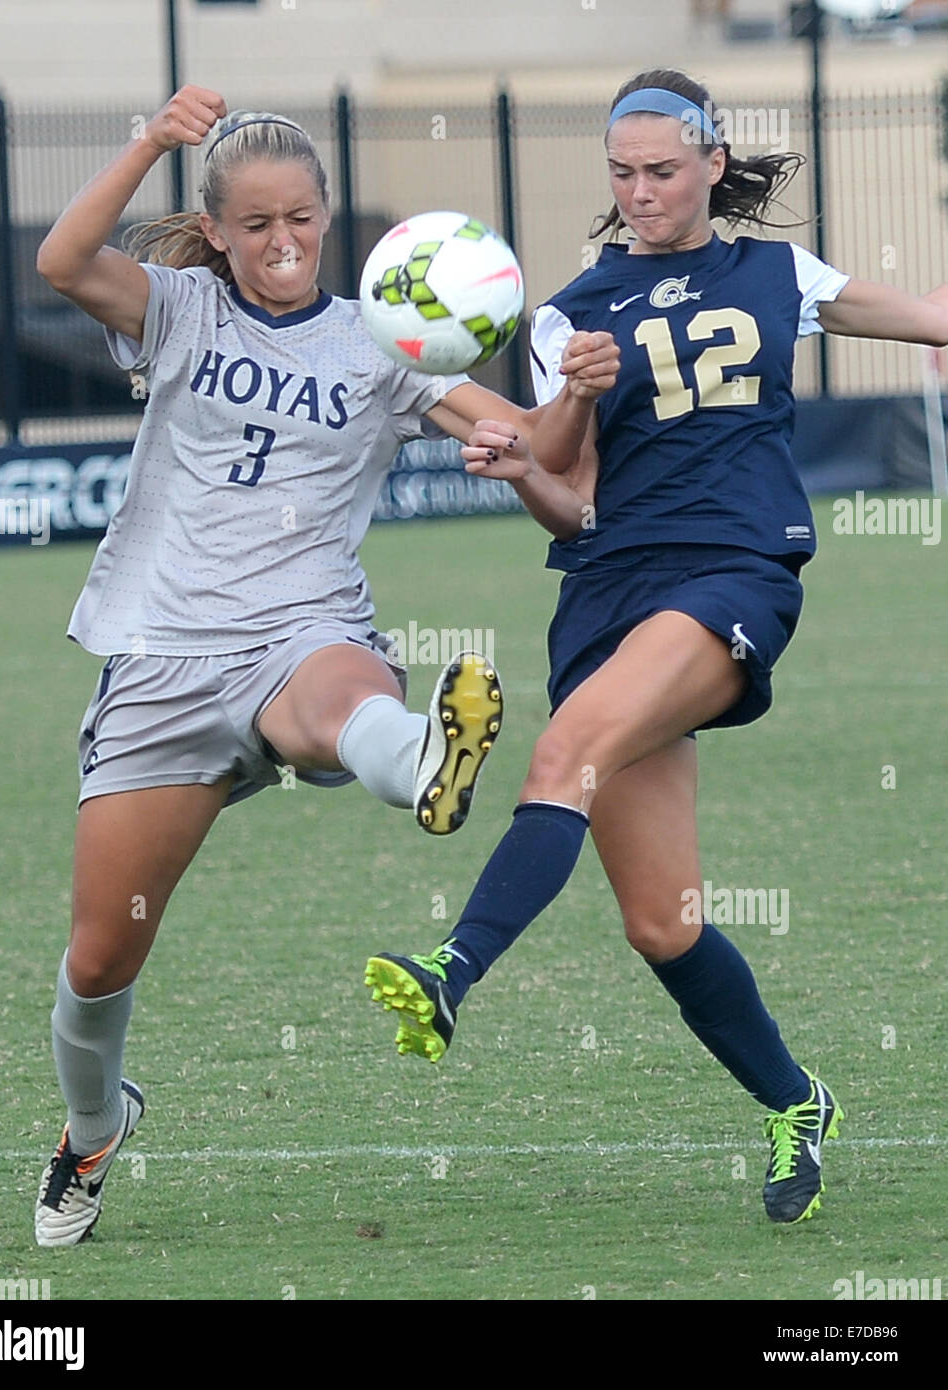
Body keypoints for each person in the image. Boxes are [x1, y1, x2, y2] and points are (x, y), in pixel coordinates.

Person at [32, 85, 617, 1247]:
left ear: (331, 215)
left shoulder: (383, 342)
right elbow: (61, 259)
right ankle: (93, 1127)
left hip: (304, 625)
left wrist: (566, 399)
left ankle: (425, 761)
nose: (283, 240)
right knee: (101, 956)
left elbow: (536, 443)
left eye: (301, 217)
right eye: (256, 224)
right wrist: (150, 138)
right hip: (164, 651)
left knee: (346, 695)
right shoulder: (182, 308)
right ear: (216, 232)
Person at [366, 67, 948, 1225]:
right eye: (622, 174)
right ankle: (796, 1101)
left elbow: (903, 311)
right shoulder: (568, 312)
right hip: (606, 593)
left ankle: (450, 970)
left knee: (558, 756)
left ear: (712, 163)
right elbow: (570, 503)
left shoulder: (775, 272)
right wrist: (541, 441)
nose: (640, 193)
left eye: (663, 171)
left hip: (731, 573)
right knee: (660, 921)